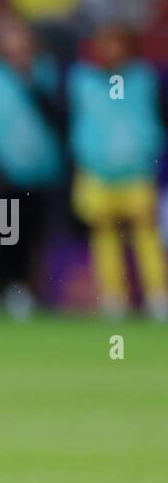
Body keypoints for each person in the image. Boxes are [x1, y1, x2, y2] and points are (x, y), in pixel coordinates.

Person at [0, 15, 66, 320]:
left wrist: (30, 82)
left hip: (39, 168)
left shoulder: (45, 73)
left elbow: (59, 118)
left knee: (25, 231)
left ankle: (18, 286)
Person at [67, 22, 167, 320]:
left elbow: (154, 120)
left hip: (137, 171)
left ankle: (157, 295)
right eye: (105, 42)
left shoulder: (146, 79)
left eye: (117, 42)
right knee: (104, 235)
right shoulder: (82, 80)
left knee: (146, 234)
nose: (111, 49)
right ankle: (113, 297)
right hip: (97, 172)